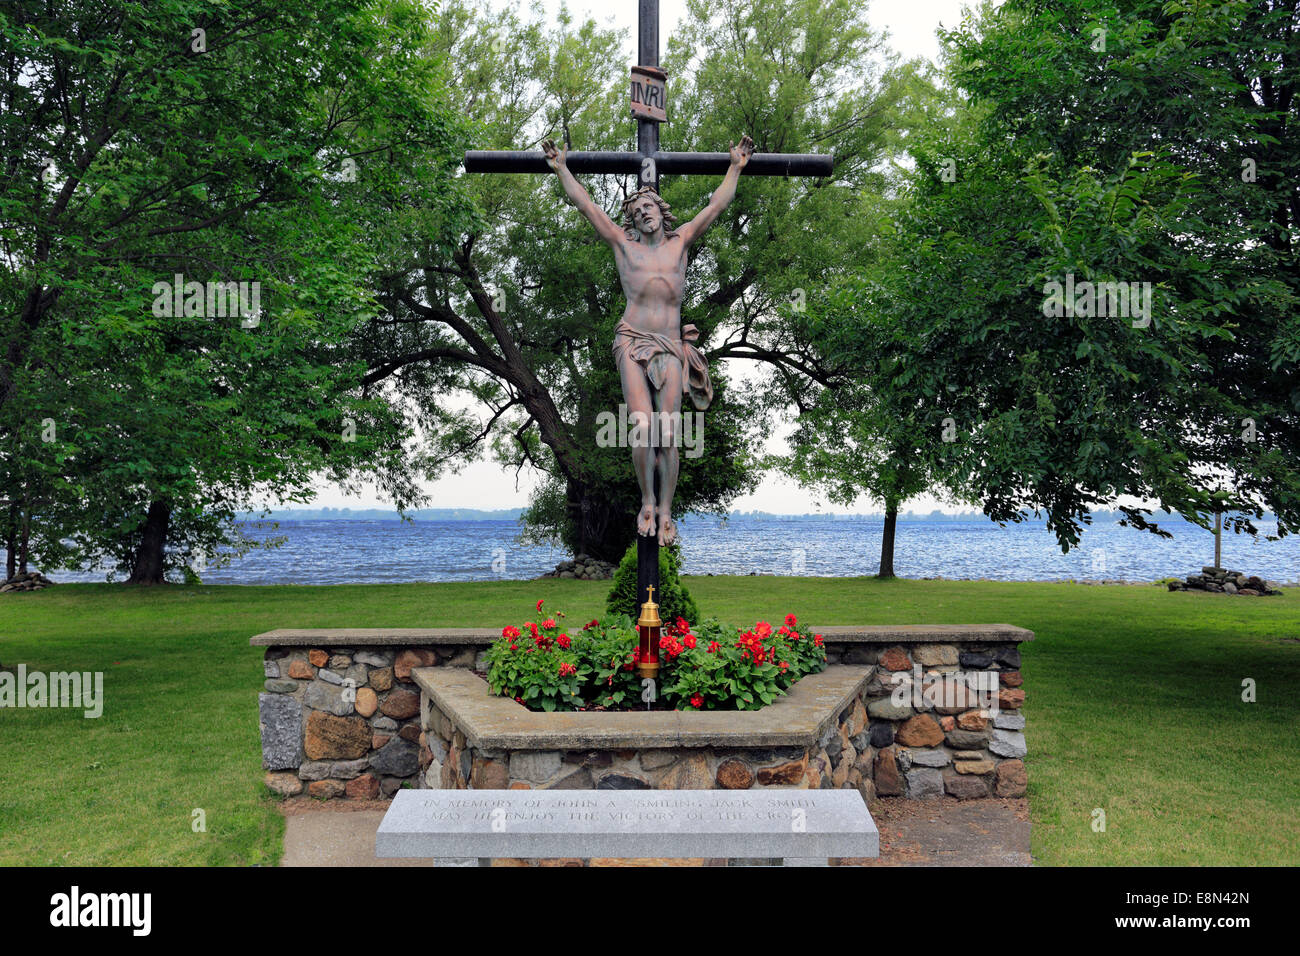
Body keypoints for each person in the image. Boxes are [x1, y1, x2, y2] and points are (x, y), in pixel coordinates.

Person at [541, 134, 754, 545]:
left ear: (661, 211)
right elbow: (587, 206)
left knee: (669, 432)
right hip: (632, 341)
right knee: (641, 428)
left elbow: (716, 206)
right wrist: (562, 168)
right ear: (633, 221)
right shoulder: (624, 247)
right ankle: (647, 501)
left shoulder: (681, 243)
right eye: (636, 211)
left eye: (649, 207)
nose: (643, 213)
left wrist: (735, 167)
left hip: (671, 346)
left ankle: (667, 510)